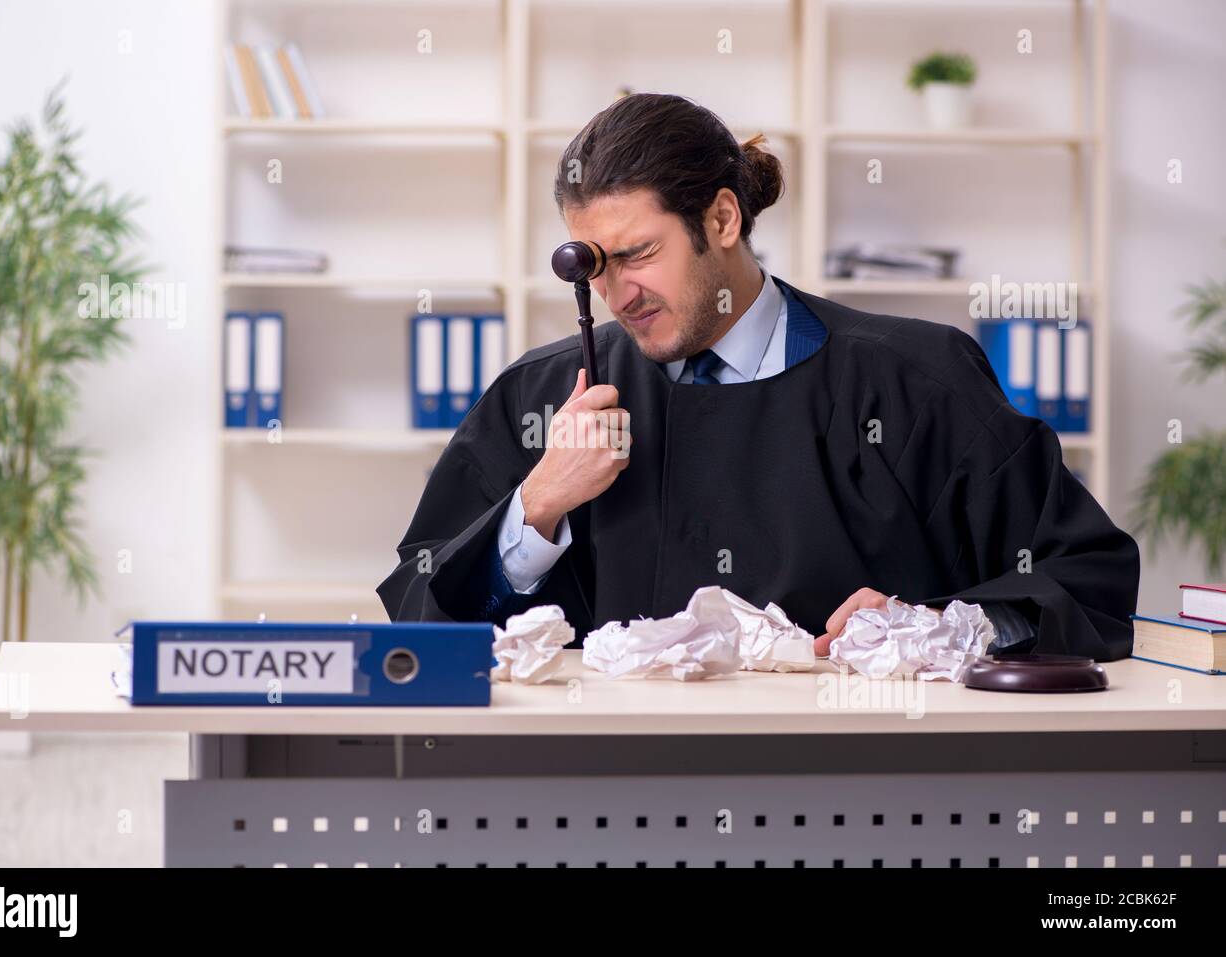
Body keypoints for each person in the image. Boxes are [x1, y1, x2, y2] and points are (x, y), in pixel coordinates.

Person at [378, 93, 1140, 661]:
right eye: (597, 264)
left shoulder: (916, 381)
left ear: (721, 220)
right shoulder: (544, 400)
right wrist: (538, 506)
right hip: (610, 801)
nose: (619, 292)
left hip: (880, 796)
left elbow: (1087, 581)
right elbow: (419, 629)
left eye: (640, 254)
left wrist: (933, 624)